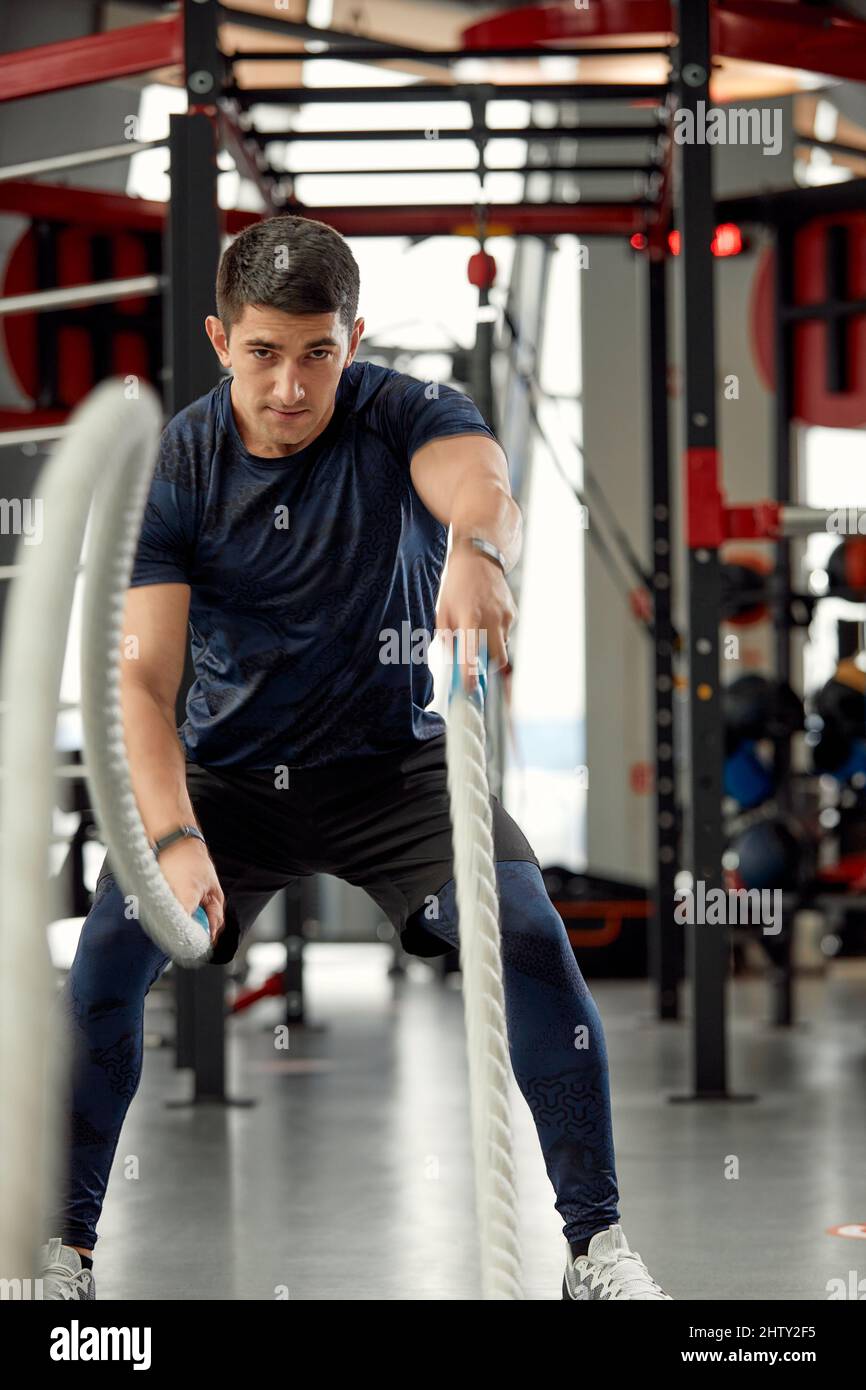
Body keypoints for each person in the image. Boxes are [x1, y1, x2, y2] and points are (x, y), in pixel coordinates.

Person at [37, 214, 670, 1302]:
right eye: (264, 353)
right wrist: (177, 836)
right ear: (220, 338)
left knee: (525, 936)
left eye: (318, 352)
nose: (291, 386)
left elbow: (483, 486)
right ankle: (64, 1253)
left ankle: (595, 1250)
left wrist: (476, 553)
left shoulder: (398, 412)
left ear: (354, 339)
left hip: (392, 773)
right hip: (223, 783)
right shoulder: (175, 468)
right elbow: (138, 685)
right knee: (101, 973)